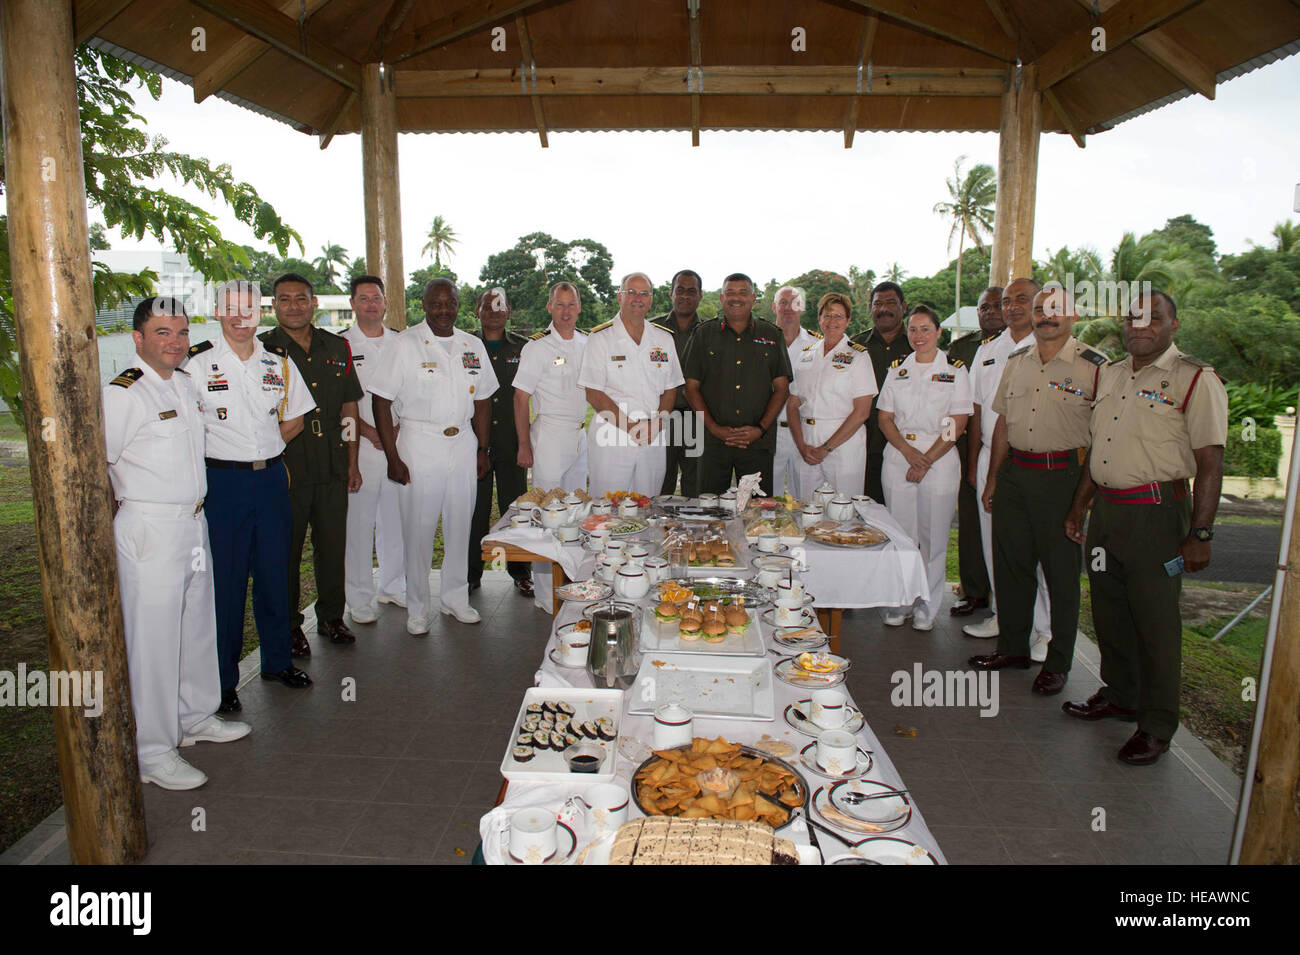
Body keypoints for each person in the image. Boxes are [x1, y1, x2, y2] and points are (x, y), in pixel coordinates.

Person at [1062, 290, 1227, 765]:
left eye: (1153, 318)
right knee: (1110, 610)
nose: (1141, 325)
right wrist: (1079, 509)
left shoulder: (1195, 379)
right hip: (1108, 513)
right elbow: (1097, 451)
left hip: (1157, 515)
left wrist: (1200, 534)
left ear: (1174, 325)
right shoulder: (1111, 373)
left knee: (1155, 622)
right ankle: (1120, 694)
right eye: (1134, 317)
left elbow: (1210, 461)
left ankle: (1156, 724)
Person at [104, 297, 250, 790]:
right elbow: (98, 462)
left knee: (193, 626)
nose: (175, 342)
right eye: (162, 332)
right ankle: (151, 749)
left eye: (181, 332)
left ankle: (194, 716)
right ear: (138, 338)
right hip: (150, 526)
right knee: (153, 640)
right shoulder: (126, 392)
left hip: (192, 522)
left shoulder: (185, 385)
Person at [970, 286, 1110, 697]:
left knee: (1062, 575)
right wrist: (994, 478)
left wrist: (1082, 501)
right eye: (1040, 310)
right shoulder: (1017, 361)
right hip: (1016, 473)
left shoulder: (1094, 367)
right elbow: (1002, 426)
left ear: (1073, 315)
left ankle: (1057, 661)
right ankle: (1012, 647)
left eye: (1055, 310)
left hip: (1063, 478)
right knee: (1012, 566)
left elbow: (1103, 437)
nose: (1046, 317)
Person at [187, 280, 315, 713]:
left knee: (276, 574)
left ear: (258, 312)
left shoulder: (276, 362)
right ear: (218, 311)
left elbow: (296, 415)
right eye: (231, 308)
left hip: (271, 480)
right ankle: (222, 680)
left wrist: (263, 448)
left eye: (248, 307)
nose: (240, 316)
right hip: (223, 485)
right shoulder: (197, 365)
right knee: (226, 582)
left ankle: (277, 661)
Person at [369, 278, 497, 632]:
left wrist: (483, 449)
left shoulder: (472, 345)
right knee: (419, 529)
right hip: (419, 443)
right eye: (436, 303)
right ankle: (417, 607)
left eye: (450, 302)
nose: (444, 310)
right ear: (423, 304)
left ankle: (456, 599)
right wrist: (393, 458)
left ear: (459, 304)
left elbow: (483, 400)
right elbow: (380, 400)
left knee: (460, 525)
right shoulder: (404, 344)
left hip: (463, 442)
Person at [260, 273, 364, 655]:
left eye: (301, 299)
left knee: (332, 546)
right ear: (274, 306)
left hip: (333, 463)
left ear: (314, 303)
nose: (294, 306)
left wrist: (353, 461)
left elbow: (349, 406)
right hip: (288, 466)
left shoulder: (337, 347)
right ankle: (289, 627)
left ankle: (332, 618)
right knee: (286, 552)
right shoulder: (262, 351)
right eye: (284, 300)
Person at [962, 278, 1052, 653]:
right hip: (987, 456)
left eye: (1022, 300)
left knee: (1037, 549)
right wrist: (972, 465)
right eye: (1007, 301)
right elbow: (975, 410)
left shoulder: (1048, 347)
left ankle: (1045, 629)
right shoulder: (987, 351)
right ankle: (1003, 615)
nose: (1012, 307)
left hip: (1032, 459)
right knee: (992, 543)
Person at [875, 305, 972, 630]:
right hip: (900, 456)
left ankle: (927, 608)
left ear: (938, 332)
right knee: (902, 536)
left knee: (933, 537)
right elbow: (885, 418)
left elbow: (957, 421)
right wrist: (908, 452)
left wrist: (926, 458)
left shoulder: (956, 371)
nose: (918, 336)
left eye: (925, 329)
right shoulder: (897, 370)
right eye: (913, 330)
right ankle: (901, 602)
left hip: (940, 459)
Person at [515, 282, 589, 611]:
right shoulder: (538, 348)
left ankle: (570, 582)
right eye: (559, 305)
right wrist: (523, 445)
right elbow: (520, 397)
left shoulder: (588, 343)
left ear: (579, 307)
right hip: (549, 436)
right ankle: (546, 595)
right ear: (549, 308)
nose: (566, 311)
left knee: (574, 513)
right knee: (547, 516)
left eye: (571, 304)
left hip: (578, 435)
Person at [683, 273, 792, 495]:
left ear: (754, 298)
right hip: (712, 442)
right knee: (709, 507)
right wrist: (714, 428)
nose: (736, 298)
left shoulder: (771, 335)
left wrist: (759, 429)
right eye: (730, 293)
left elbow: (781, 389)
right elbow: (690, 388)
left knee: (757, 513)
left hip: (757, 443)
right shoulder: (703, 334)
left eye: (743, 293)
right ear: (721, 298)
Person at [579, 272, 683, 497]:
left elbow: (671, 388)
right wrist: (631, 427)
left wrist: (657, 423)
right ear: (619, 297)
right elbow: (593, 392)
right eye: (632, 292)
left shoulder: (664, 339)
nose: (638, 298)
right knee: (607, 510)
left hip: (653, 434)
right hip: (613, 434)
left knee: (648, 504)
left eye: (644, 293)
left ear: (651, 300)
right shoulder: (600, 338)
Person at [341, 275, 406, 623]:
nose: (370, 304)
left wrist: (397, 429)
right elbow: (339, 400)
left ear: (385, 303)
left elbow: (409, 390)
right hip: (361, 446)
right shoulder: (341, 346)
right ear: (352, 304)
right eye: (363, 298)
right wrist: (369, 431)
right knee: (359, 524)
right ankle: (359, 597)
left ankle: (393, 586)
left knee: (395, 520)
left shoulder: (402, 342)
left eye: (376, 298)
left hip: (397, 444)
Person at [467, 288, 534, 598]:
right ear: (477, 311)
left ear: (509, 311)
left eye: (500, 306)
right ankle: (471, 573)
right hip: (472, 441)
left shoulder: (524, 348)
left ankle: (520, 572)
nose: (494, 311)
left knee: (515, 509)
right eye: (487, 306)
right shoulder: (463, 346)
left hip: (511, 439)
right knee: (474, 510)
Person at [786, 292, 876, 499]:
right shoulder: (807, 354)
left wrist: (826, 448)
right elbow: (792, 404)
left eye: (838, 316)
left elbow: (862, 412)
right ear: (819, 318)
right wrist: (801, 446)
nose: (831, 321)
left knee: (843, 511)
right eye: (827, 315)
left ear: (848, 321)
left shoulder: (858, 356)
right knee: (807, 508)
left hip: (842, 444)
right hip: (807, 442)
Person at [946, 287, 1002, 617]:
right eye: (984, 307)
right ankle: (974, 590)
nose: (991, 312)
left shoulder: (1021, 345)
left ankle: (1005, 601)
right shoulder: (962, 347)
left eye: (998, 305)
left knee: (1004, 532)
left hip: (1008, 450)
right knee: (970, 525)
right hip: (971, 447)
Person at [850, 282, 913, 501]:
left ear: (903, 306)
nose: (883, 309)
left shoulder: (917, 346)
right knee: (863, 513)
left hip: (906, 448)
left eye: (890, 303)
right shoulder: (855, 347)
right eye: (878, 304)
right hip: (863, 446)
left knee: (902, 517)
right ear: (870, 308)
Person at [650, 270, 704, 496]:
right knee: (661, 483)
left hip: (696, 419)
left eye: (691, 291)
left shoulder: (709, 331)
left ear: (700, 296)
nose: (685, 296)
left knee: (696, 485)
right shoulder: (652, 329)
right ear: (671, 293)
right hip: (662, 417)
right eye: (680, 289)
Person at [772, 286, 821, 497]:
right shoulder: (762, 340)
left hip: (803, 432)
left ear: (801, 307)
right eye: (783, 302)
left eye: (794, 302)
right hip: (769, 431)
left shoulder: (817, 344)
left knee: (803, 495)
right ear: (774, 307)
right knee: (766, 497)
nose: (788, 308)